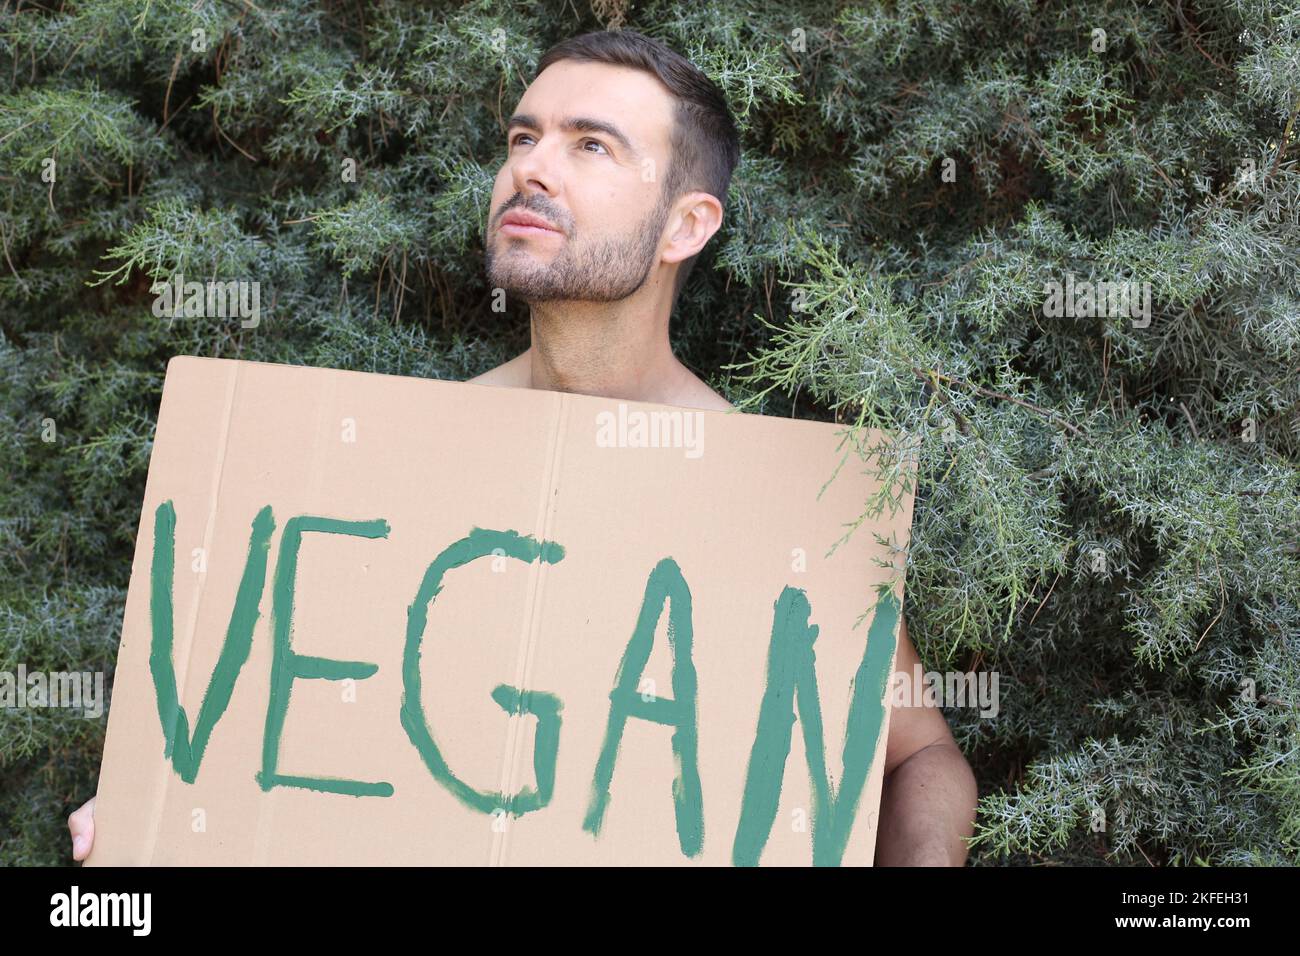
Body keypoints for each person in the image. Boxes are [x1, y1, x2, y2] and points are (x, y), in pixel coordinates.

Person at [71, 29, 978, 866]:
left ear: (687, 225)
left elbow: (921, 754)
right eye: (522, 138)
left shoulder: (775, 502)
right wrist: (153, 817)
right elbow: (272, 750)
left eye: (591, 145)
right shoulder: (386, 461)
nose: (532, 169)